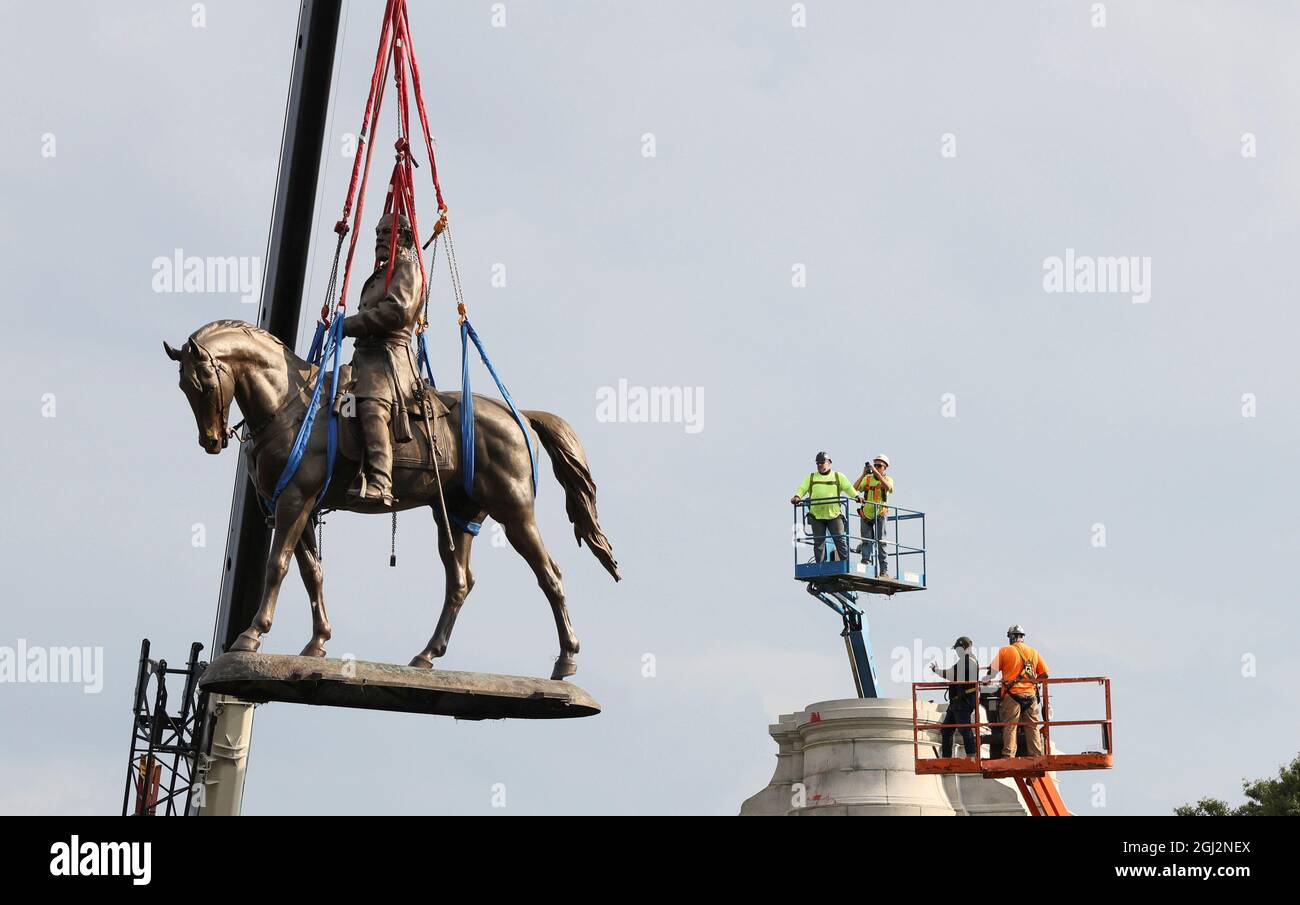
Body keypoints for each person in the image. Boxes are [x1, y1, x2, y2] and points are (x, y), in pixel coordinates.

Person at [342, 212, 425, 507]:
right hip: (363, 359)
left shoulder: (408, 269)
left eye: (386, 232)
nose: (379, 237)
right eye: (377, 232)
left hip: (389, 361)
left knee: (371, 406)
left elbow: (396, 312)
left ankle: (380, 481)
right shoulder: (378, 276)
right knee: (333, 403)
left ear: (403, 237)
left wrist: (348, 325)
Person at [984, 624, 1050, 758]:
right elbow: (1045, 674)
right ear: (1022, 638)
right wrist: (1033, 682)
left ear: (1011, 637)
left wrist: (986, 679)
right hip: (1030, 696)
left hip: (1012, 694)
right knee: (1032, 727)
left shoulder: (1005, 651)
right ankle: (1036, 755)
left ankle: (1008, 755)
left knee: (1010, 726)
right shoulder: (1033, 652)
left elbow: (991, 672)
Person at [791, 452, 863, 563]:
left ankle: (846, 563)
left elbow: (848, 487)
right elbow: (802, 488)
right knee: (819, 542)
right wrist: (797, 496)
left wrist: (857, 496)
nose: (820, 465)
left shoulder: (838, 477)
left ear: (829, 462)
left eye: (822, 462)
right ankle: (820, 565)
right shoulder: (811, 477)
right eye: (818, 463)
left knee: (839, 538)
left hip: (834, 514)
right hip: (816, 515)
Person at [930, 636, 980, 758]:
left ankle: (972, 756)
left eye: (957, 649)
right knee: (946, 729)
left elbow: (952, 675)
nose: (957, 652)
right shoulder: (966, 660)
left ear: (963, 647)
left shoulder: (967, 661)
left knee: (964, 729)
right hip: (957, 702)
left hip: (963, 702)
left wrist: (937, 671)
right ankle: (947, 757)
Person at [854, 454, 894, 577]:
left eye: (879, 466)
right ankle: (865, 565)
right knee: (866, 540)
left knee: (881, 542)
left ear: (885, 468)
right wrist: (863, 474)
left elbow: (888, 488)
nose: (876, 467)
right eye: (875, 465)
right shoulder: (867, 479)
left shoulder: (888, 479)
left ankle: (883, 570)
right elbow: (854, 488)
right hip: (866, 514)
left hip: (880, 514)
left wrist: (877, 474)